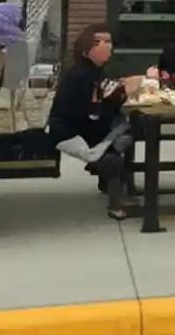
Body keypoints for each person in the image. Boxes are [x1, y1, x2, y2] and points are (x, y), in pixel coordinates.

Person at [47, 24, 137, 220]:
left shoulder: (95, 70)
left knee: (128, 129)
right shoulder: (82, 75)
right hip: (71, 133)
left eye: (108, 41)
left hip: (85, 127)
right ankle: (115, 202)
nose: (106, 46)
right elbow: (89, 115)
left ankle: (109, 179)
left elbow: (108, 97)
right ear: (85, 49)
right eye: (98, 42)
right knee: (122, 141)